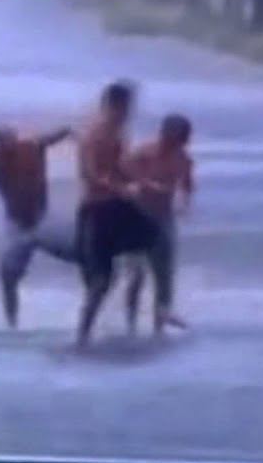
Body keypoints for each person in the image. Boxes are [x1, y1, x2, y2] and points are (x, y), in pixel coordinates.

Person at [74, 81, 164, 348]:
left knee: (146, 256)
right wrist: (121, 188)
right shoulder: (94, 135)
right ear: (113, 106)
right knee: (101, 282)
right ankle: (82, 337)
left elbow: (121, 168)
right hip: (98, 209)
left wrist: (145, 183)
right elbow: (89, 175)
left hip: (119, 207)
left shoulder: (118, 133)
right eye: (126, 108)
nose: (129, 113)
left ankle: (131, 326)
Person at [0, 123, 73, 328]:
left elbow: (53, 136)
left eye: (10, 140)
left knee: (75, 254)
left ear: (15, 138)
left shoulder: (32, 147)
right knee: (7, 278)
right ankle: (12, 324)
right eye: (2, 143)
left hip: (43, 221)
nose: (8, 147)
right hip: (18, 227)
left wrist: (69, 133)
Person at [123, 114, 195, 334]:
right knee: (136, 275)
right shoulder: (143, 153)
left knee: (164, 276)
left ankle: (158, 330)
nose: (181, 144)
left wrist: (185, 203)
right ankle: (130, 326)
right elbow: (123, 173)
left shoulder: (183, 158)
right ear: (165, 134)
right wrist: (146, 184)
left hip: (163, 219)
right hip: (136, 218)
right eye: (177, 139)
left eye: (183, 140)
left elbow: (187, 185)